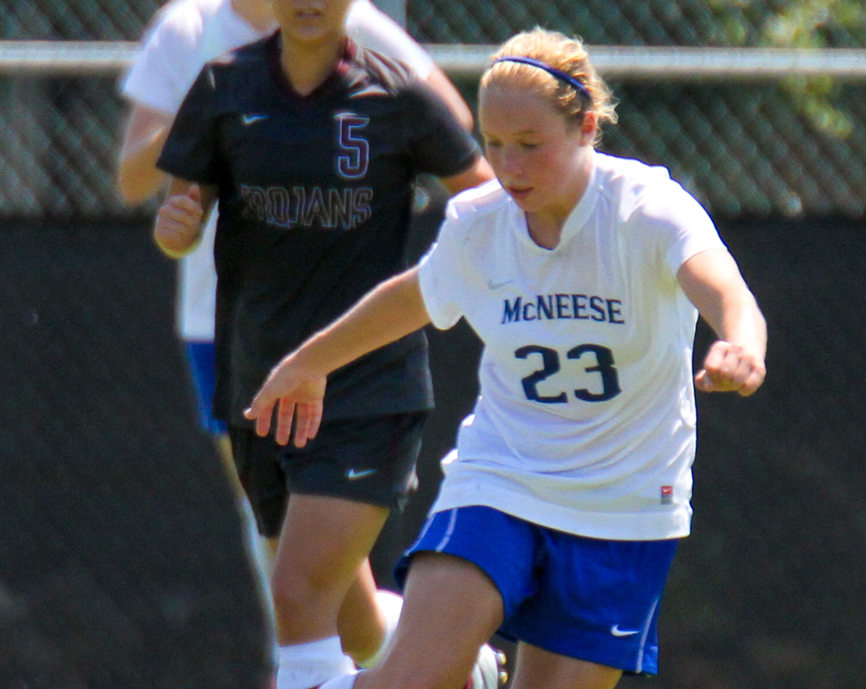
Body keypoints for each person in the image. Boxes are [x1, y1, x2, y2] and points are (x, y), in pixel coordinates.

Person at [243, 25, 767, 689]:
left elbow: (728, 291)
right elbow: (415, 296)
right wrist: (309, 362)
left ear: (585, 128)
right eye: (493, 144)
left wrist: (741, 345)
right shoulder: (480, 222)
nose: (508, 165)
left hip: (625, 504)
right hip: (501, 481)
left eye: (529, 144)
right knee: (414, 679)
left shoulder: (647, 210)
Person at [116, 0, 481, 675]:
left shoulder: (377, 61)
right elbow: (153, 192)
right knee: (341, 606)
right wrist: (180, 216)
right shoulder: (207, 57)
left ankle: (292, 665)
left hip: (363, 368)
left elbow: (473, 173)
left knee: (299, 587)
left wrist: (442, 282)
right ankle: (453, 666)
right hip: (247, 351)